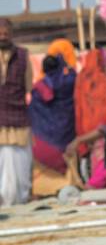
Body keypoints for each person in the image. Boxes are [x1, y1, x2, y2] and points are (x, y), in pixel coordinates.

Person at [29, 50, 77, 194]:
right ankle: (69, 185)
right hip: (68, 136)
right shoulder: (70, 81)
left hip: (43, 139)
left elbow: (33, 109)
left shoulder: (39, 87)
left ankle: (44, 189)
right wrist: (66, 65)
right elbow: (73, 73)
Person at [0, 17, 32, 206]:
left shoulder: (22, 55)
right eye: (0, 33)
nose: (3, 36)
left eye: (6, 33)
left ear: (11, 34)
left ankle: (17, 201)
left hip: (18, 116)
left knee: (18, 164)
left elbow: (29, 87)